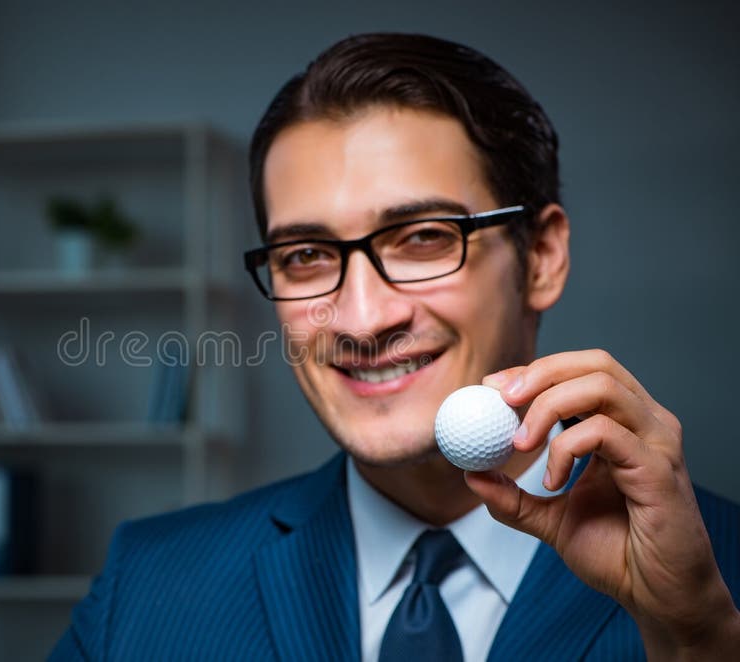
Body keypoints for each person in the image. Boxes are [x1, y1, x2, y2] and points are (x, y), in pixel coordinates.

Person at [48, 33, 740, 661]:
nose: (360, 318)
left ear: (542, 258)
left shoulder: (716, 587)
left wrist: (697, 641)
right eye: (307, 255)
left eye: (424, 238)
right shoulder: (148, 584)